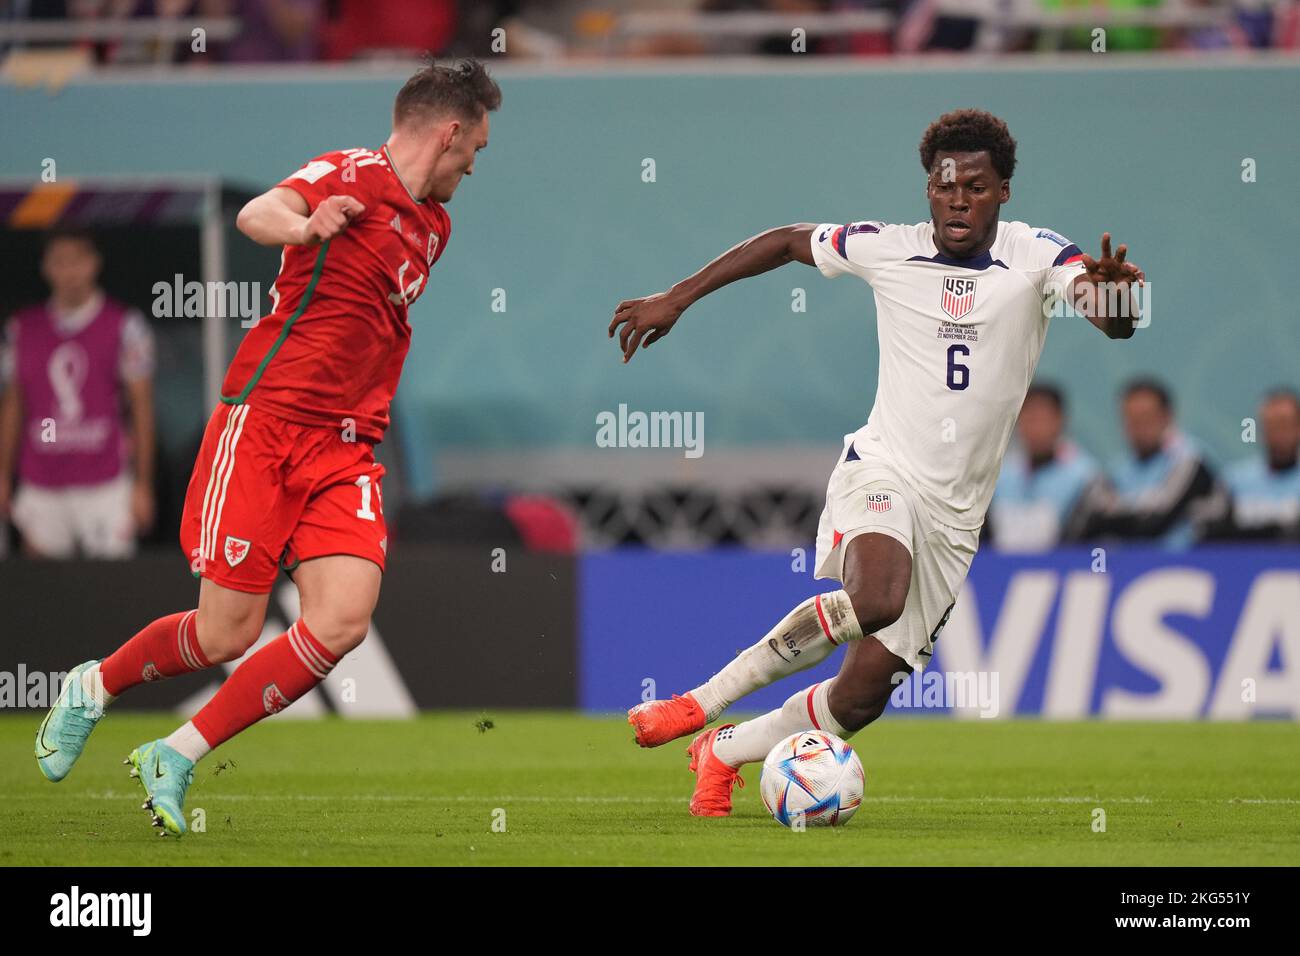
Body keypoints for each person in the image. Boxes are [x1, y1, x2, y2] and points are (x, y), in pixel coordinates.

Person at [611, 109, 1145, 817]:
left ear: (1004, 192)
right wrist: (676, 297)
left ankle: (724, 749)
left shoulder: (1038, 254)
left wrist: (1119, 298)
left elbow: (1107, 314)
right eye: (944, 185)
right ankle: (697, 703)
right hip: (883, 469)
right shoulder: (887, 248)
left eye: (976, 187)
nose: (958, 199)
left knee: (859, 699)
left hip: (956, 518)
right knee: (878, 598)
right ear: (928, 188)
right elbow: (784, 242)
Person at [34, 59, 501, 837]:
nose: (476, 164)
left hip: (347, 447)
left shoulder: (435, 226)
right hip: (267, 425)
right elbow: (260, 212)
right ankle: (95, 685)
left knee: (343, 621)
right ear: (447, 132)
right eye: (475, 148)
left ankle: (176, 753)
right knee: (226, 634)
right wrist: (306, 225)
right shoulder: (348, 174)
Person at [0, 227, 156, 559]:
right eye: (59, 262)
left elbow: (141, 408)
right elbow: (13, 406)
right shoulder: (21, 329)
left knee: (113, 589)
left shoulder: (125, 325)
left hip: (106, 482)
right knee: (44, 591)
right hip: (41, 481)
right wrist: (2, 474)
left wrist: (143, 484)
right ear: (45, 266)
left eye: (77, 261)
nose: (69, 271)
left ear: (94, 263)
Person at [1075, 378, 1221, 549]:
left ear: (1167, 417)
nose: (1139, 427)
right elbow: (1088, 525)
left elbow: (1155, 524)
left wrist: (1117, 519)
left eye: (1147, 417)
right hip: (1126, 566)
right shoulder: (1116, 470)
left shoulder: (1190, 461)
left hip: (1180, 566)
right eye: (1131, 419)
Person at [987, 382, 1101, 552]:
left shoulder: (1085, 477)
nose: (1035, 429)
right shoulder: (998, 474)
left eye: (1043, 419)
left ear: (1060, 421)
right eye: (1029, 419)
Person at [1200, 388, 1300, 541]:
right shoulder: (1234, 480)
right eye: (1271, 425)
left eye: (1284, 424)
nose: (1278, 433)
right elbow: (1209, 533)